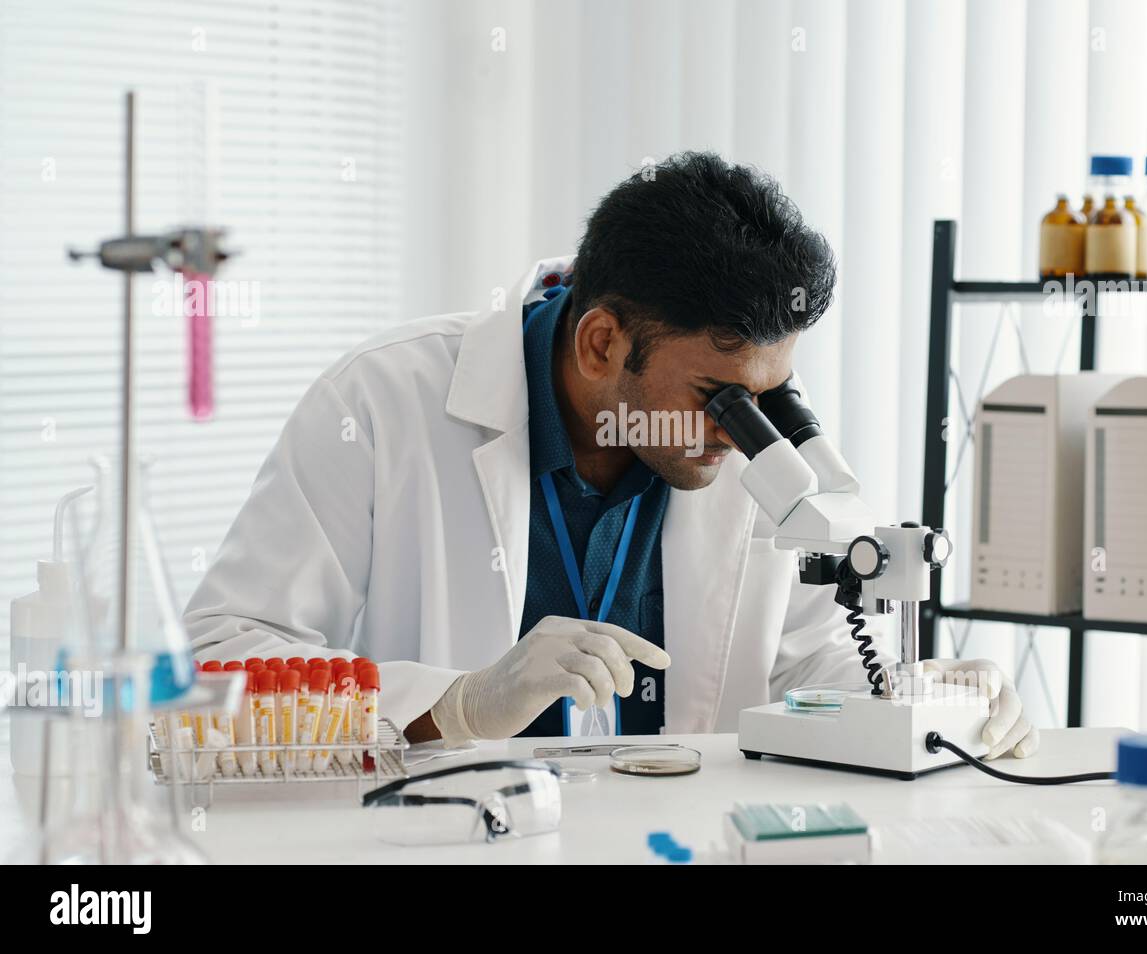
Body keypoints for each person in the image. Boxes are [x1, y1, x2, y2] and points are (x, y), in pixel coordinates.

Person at [184, 152, 1038, 758]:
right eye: (720, 398)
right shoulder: (380, 404)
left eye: (771, 393)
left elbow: (812, 661)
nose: (746, 435)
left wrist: (912, 694)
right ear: (601, 345)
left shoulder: (746, 452)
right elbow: (216, 656)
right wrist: (453, 704)